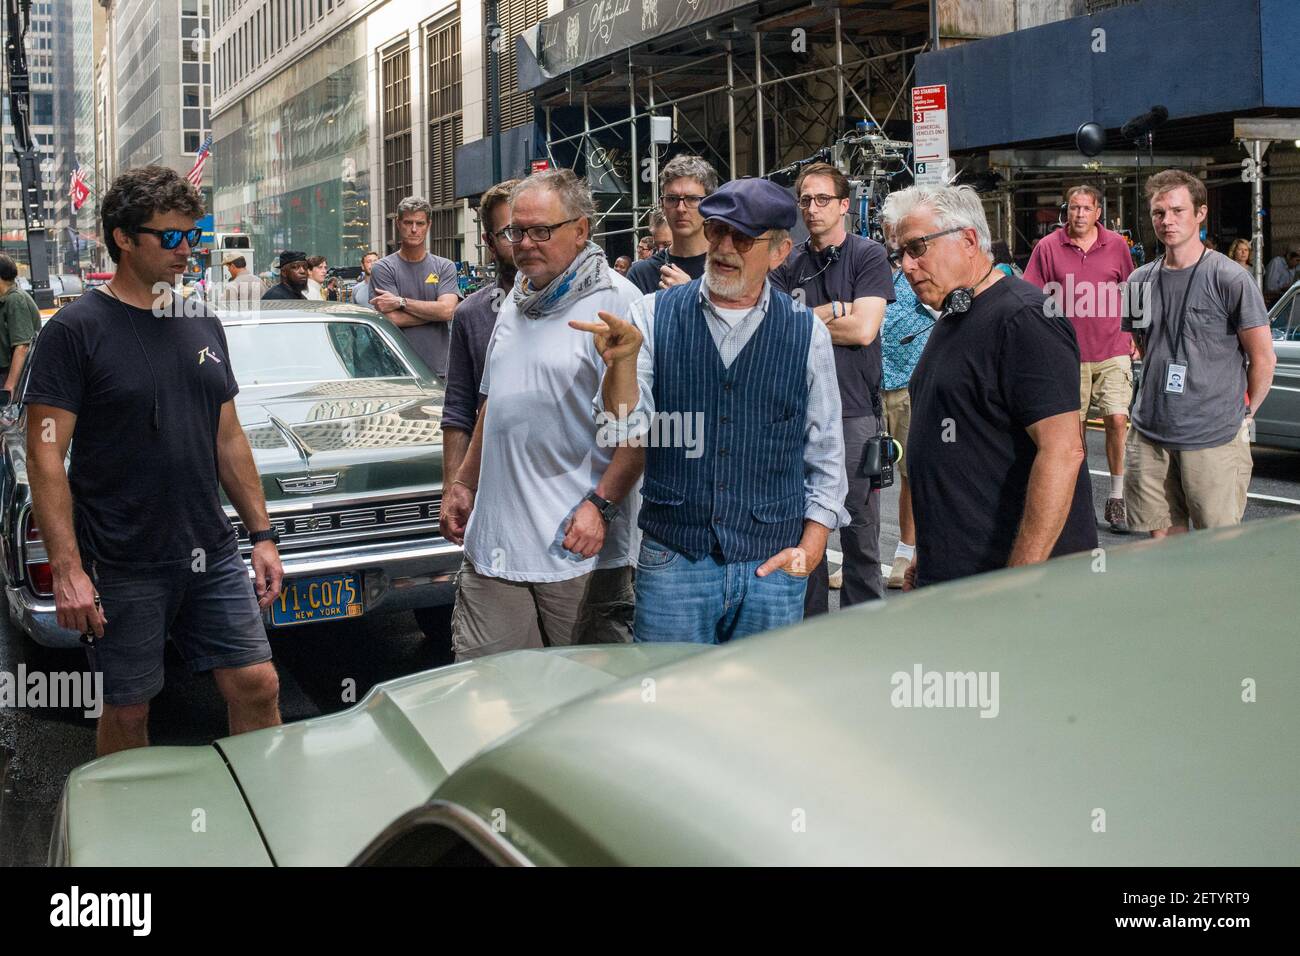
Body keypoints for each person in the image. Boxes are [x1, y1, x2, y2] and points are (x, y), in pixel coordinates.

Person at [22, 164, 283, 756]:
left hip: (210, 549)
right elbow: (45, 453)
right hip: (122, 558)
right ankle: (123, 834)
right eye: (169, 236)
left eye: (192, 236)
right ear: (123, 237)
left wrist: (262, 535)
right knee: (130, 708)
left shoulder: (198, 319)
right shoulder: (74, 330)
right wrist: (67, 570)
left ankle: (269, 817)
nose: (185, 249)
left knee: (257, 683)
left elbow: (229, 438)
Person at [580, 177, 849, 644]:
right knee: (671, 705)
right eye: (717, 231)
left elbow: (825, 452)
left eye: (742, 238)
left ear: (780, 251)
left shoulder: (807, 332)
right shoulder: (651, 314)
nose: (724, 247)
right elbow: (621, 426)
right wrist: (620, 366)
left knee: (761, 708)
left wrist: (809, 549)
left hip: (772, 567)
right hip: (675, 562)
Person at [439, 170, 643, 658]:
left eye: (540, 231)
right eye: (516, 232)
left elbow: (639, 433)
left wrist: (602, 507)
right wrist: (464, 483)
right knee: (490, 695)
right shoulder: (519, 297)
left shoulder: (620, 304)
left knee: (586, 703)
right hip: (494, 545)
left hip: (577, 549)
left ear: (581, 229)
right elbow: (495, 400)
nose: (525, 244)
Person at [880, 184, 1097, 590]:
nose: (906, 266)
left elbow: (1063, 452)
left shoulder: (1025, 318)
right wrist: (930, 552)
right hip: (954, 575)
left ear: (968, 240)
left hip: (1009, 586)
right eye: (899, 255)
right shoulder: (953, 315)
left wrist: (1020, 580)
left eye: (917, 247)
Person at [1122, 169, 1275, 537]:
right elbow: (1144, 347)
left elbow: (1263, 357)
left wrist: (1245, 414)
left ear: (1200, 214)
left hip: (1213, 437)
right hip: (1149, 433)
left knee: (1214, 550)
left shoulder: (1230, 278)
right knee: (1159, 546)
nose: (1167, 221)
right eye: (1159, 213)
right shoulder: (1137, 281)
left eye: (1177, 210)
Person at [769, 162, 894, 613]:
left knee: (861, 535)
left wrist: (807, 319)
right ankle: (813, 631)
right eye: (806, 200)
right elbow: (774, 329)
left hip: (855, 412)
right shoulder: (788, 260)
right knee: (807, 529)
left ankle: (865, 628)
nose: (813, 208)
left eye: (823, 199)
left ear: (845, 205)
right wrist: (834, 310)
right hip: (799, 413)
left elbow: (863, 330)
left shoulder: (868, 255)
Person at [1023, 184, 1136, 532]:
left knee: (1118, 420)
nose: (1080, 214)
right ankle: (1079, 500)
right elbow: (1030, 295)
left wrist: (1134, 336)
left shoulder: (1117, 246)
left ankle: (1117, 497)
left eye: (1087, 208)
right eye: (1074, 208)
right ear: (1066, 210)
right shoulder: (1047, 247)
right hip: (1068, 356)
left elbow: (1133, 292)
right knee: (1075, 433)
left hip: (1114, 350)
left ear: (1098, 212)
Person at [878, 235, 936, 589]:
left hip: (907, 389)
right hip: (870, 388)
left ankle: (905, 552)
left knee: (910, 474)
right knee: (863, 474)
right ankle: (863, 556)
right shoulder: (870, 276)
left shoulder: (917, 278)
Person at [369, 197, 462, 377]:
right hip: (396, 368)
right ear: (398, 224)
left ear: (428, 225)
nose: (414, 229)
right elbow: (391, 319)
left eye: (419, 223)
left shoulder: (445, 266)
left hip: (439, 368)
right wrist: (435, 314)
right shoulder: (383, 268)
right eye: (408, 223)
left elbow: (447, 311)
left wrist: (400, 301)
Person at [625, 156, 717, 295]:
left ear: (709, 204)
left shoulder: (728, 265)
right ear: (662, 205)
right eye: (672, 199)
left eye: (692, 199)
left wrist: (690, 294)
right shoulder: (641, 273)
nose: (681, 208)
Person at [0, 253, 40, 404]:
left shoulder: (15, 300)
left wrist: (9, 388)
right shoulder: (5, 300)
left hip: (7, 377)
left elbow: (22, 347)